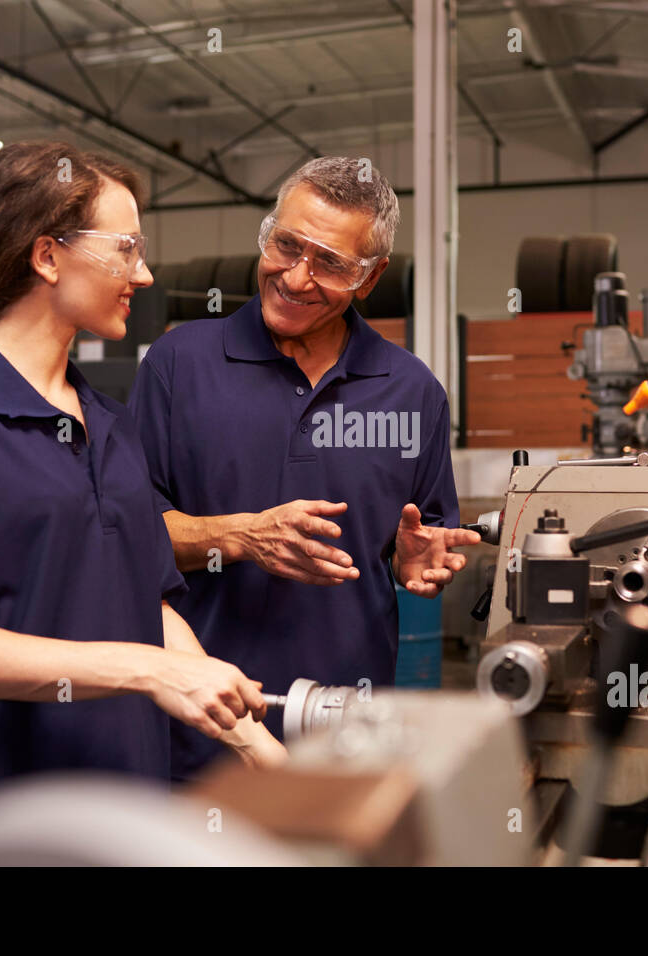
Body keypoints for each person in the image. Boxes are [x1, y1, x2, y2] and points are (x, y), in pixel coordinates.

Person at [0, 141, 283, 852]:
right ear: (48, 256)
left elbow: (147, 600)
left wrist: (260, 748)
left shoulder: (111, 426)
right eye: (125, 248)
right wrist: (150, 672)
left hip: (118, 810)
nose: (143, 274)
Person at [129, 156, 480, 782]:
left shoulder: (411, 390)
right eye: (286, 245)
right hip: (198, 731)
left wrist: (417, 562)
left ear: (369, 280)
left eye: (331, 264)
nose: (296, 277)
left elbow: (422, 545)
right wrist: (238, 537)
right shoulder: (180, 365)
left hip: (347, 734)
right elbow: (126, 541)